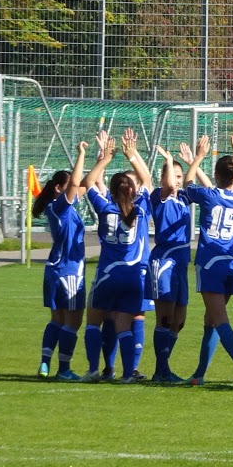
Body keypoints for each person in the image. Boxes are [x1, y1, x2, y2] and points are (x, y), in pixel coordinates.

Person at [178, 130, 233, 385]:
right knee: (210, 319)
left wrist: (197, 158)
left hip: (210, 263)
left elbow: (187, 184)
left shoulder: (210, 195)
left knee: (220, 320)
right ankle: (199, 374)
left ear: (216, 175)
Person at [79, 129, 155, 385]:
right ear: (132, 192)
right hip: (133, 275)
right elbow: (148, 181)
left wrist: (105, 159)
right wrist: (132, 155)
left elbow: (88, 182)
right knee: (124, 326)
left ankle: (92, 370)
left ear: (111, 191)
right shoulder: (141, 209)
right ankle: (126, 374)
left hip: (107, 275)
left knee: (94, 322)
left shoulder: (105, 208)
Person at [34, 145, 88, 381]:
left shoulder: (59, 207)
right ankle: (64, 369)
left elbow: (84, 185)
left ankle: (45, 363)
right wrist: (81, 155)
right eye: (68, 188)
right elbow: (76, 184)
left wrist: (103, 160)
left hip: (54, 270)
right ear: (58, 188)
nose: (74, 191)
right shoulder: (60, 207)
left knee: (57, 320)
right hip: (69, 272)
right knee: (73, 322)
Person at [146, 149, 192, 383]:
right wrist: (167, 161)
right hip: (164, 262)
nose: (176, 181)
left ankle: (163, 367)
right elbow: (167, 187)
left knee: (179, 320)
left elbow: (202, 185)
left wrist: (195, 162)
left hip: (181, 263)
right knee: (164, 317)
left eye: (179, 176)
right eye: (172, 176)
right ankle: (161, 370)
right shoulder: (158, 196)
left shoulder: (184, 197)